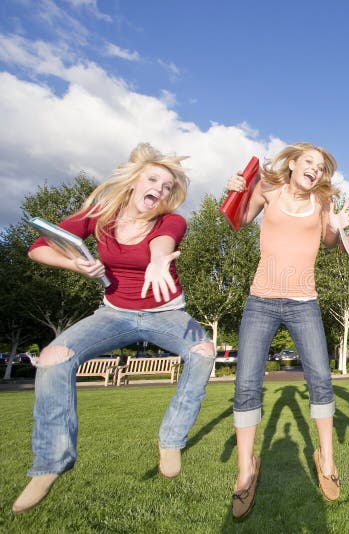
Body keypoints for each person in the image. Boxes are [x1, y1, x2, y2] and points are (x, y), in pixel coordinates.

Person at [13, 143, 216, 514]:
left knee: (203, 353)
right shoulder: (98, 215)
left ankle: (171, 439)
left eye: (168, 186)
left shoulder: (171, 221)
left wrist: (158, 263)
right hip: (114, 313)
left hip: (167, 313)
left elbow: (163, 244)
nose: (161, 189)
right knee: (52, 358)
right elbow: (37, 248)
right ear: (135, 182)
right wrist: (79, 266)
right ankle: (50, 463)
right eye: (153, 180)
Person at [225, 143, 349, 517]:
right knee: (246, 384)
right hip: (261, 301)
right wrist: (235, 190)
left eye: (321, 167)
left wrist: (336, 228)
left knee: (320, 379)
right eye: (310, 163)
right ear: (294, 162)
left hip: (304, 303)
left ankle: (327, 461)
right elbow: (238, 221)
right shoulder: (267, 188)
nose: (315, 170)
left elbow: (330, 242)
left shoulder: (322, 201)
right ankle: (245, 471)